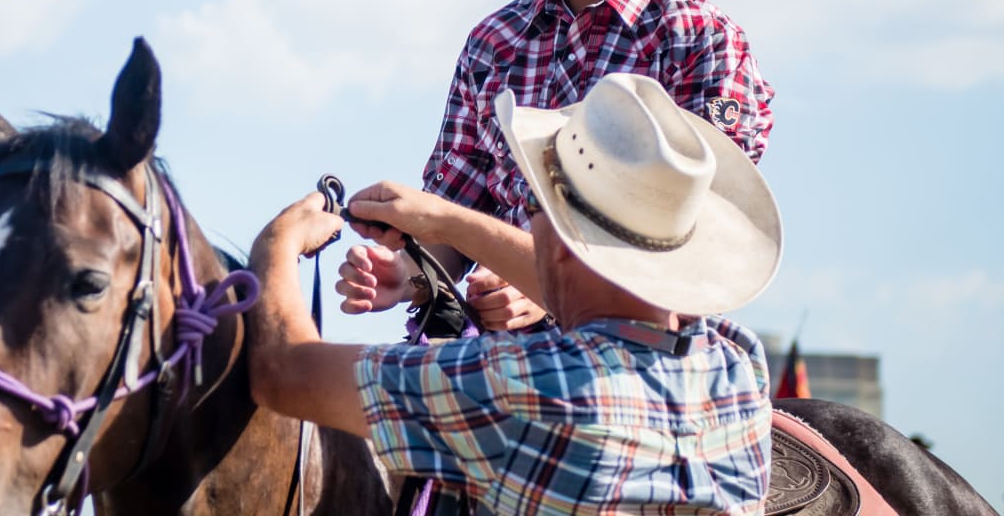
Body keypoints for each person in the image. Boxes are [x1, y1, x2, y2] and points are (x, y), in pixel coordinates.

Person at [337, 0, 775, 336]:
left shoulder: (700, 40)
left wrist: (545, 290)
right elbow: (455, 206)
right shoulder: (492, 43)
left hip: (649, 357)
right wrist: (409, 273)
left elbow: (702, 247)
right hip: (498, 349)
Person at [249, 73, 782, 514]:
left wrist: (277, 243)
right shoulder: (735, 366)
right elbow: (606, 295)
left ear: (560, 241)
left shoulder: (520, 385)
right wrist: (449, 224)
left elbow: (284, 374)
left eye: (534, 205)